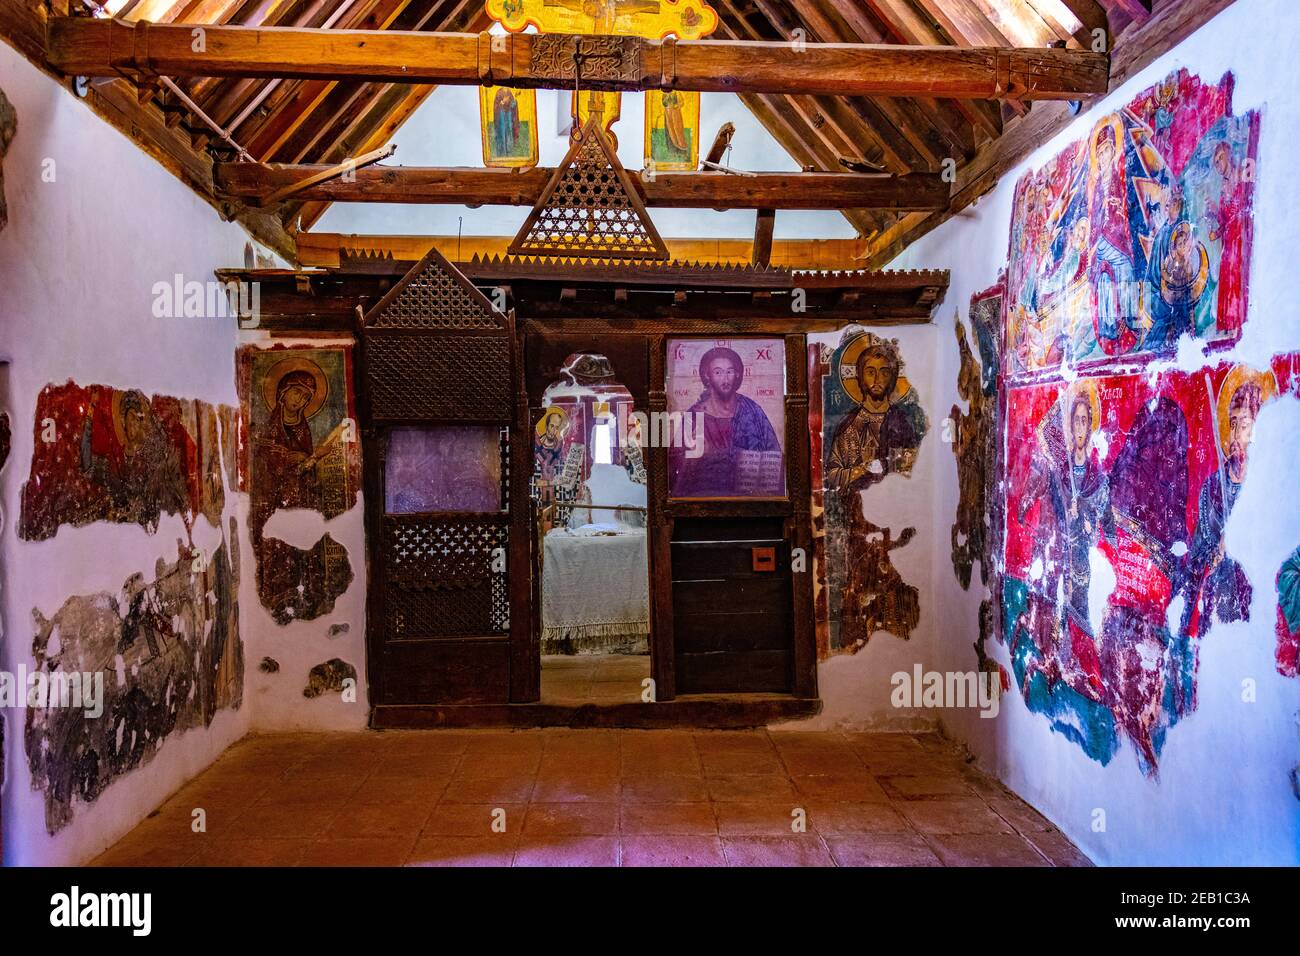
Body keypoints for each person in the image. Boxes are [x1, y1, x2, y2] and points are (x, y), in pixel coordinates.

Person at [671, 346, 781, 497]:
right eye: (718, 372)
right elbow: (675, 469)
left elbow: (772, 456)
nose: (725, 378)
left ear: (737, 374)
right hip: (704, 501)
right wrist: (696, 456)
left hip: (747, 501)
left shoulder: (753, 411)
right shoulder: (693, 417)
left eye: (729, 371)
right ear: (707, 376)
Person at [827, 340, 920, 492]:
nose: (877, 380)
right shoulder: (849, 425)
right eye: (870, 372)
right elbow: (832, 475)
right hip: (857, 504)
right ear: (860, 377)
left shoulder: (902, 424)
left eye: (884, 372)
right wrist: (861, 470)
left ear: (893, 377)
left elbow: (914, 469)